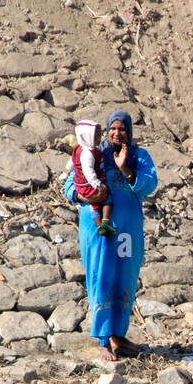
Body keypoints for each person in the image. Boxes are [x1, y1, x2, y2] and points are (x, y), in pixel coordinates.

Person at [62, 108, 158, 361]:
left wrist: (125, 167)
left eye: (122, 129)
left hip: (128, 229)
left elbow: (149, 184)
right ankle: (103, 339)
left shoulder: (139, 155)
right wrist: (90, 196)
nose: (117, 133)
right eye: (112, 129)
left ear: (129, 131)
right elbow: (70, 185)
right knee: (101, 277)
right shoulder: (92, 153)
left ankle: (119, 336)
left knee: (125, 278)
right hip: (98, 230)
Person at [70, 119, 115, 236]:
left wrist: (68, 168)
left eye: (99, 135)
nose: (99, 138)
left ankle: (99, 225)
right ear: (86, 136)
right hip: (88, 184)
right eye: (95, 136)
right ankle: (104, 223)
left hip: (80, 184)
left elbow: (72, 162)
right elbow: (88, 171)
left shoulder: (78, 148)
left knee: (94, 205)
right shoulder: (88, 153)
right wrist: (98, 184)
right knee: (107, 199)